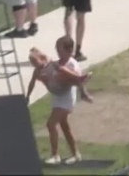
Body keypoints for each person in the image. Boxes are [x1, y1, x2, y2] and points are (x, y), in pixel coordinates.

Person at [26, 36, 88, 165]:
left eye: (59, 48)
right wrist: (28, 96)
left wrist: (84, 93)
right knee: (64, 126)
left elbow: (77, 81)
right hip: (57, 97)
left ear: (69, 50)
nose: (57, 50)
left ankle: (55, 155)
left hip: (66, 97)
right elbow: (32, 82)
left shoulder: (70, 63)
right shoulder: (47, 66)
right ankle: (76, 154)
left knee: (51, 124)